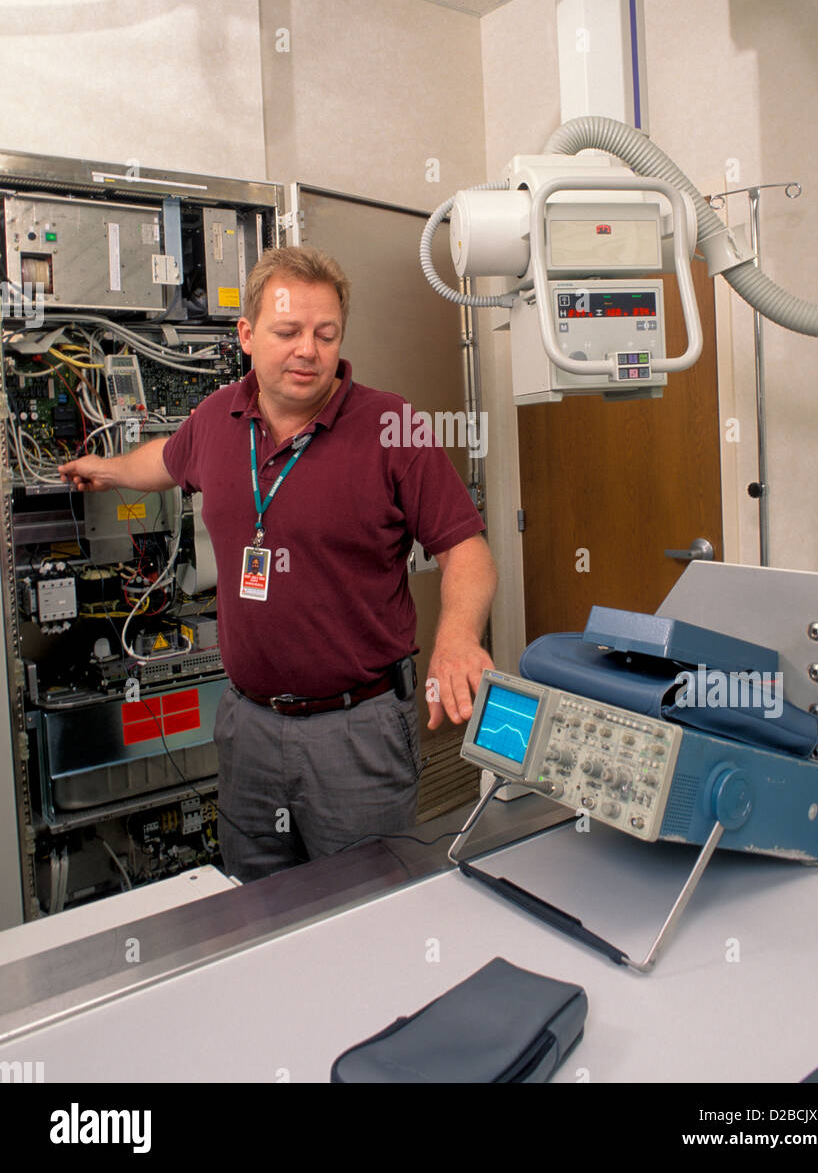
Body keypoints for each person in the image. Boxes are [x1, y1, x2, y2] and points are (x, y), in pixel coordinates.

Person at [59, 246, 497, 881]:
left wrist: (457, 637)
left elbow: (466, 547)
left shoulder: (392, 425)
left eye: (326, 334)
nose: (308, 351)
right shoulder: (215, 420)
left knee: (366, 915)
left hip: (360, 733)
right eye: (288, 331)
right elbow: (163, 460)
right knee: (256, 911)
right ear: (247, 334)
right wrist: (107, 469)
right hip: (249, 729)